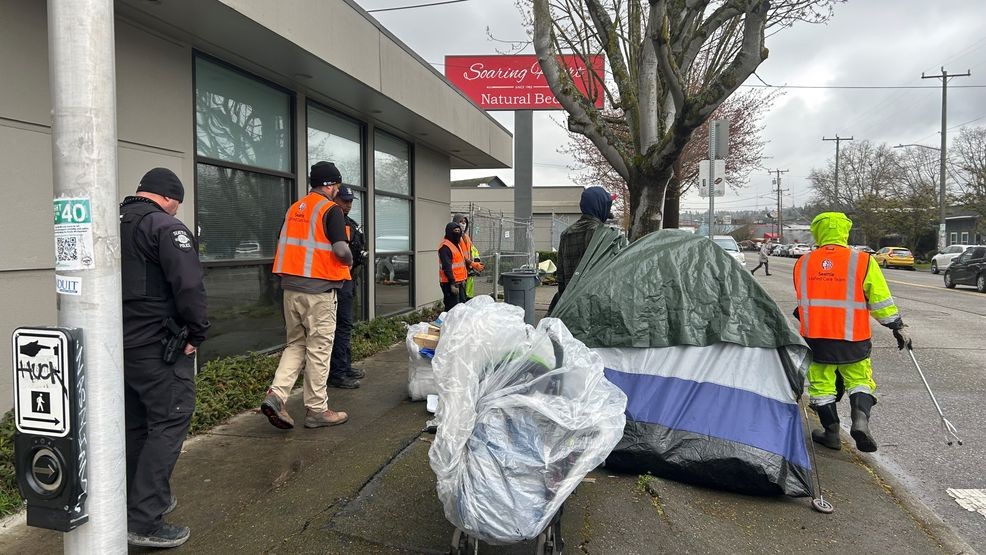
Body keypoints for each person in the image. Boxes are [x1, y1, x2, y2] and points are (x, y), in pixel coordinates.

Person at [120, 167, 210, 548]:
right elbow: (188, 285)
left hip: (119, 348)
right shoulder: (165, 227)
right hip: (159, 347)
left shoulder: (114, 222)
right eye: (177, 205)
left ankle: (134, 501)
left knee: (137, 426)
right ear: (171, 198)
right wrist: (197, 330)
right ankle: (143, 519)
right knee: (170, 420)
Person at [794, 212, 911, 453]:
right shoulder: (863, 261)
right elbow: (879, 299)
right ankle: (860, 421)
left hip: (816, 337)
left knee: (821, 387)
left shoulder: (803, 262)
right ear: (845, 232)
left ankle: (832, 433)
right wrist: (896, 326)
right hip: (853, 337)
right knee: (859, 380)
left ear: (818, 231)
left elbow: (805, 297)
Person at [261, 161, 353, 430]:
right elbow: (340, 249)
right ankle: (317, 410)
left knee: (296, 345)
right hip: (319, 291)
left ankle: (277, 395)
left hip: (291, 290)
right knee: (319, 349)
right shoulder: (330, 210)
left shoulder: (294, 209)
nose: (337, 189)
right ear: (329, 184)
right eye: (335, 184)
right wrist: (348, 260)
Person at [548, 186, 613, 312]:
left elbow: (560, 274)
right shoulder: (605, 234)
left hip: (570, 304)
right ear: (601, 206)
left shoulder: (566, 233)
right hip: (596, 305)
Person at [328, 185, 366, 389]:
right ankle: (338, 372)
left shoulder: (350, 223)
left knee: (345, 326)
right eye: (344, 201)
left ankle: (345, 366)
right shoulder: (332, 221)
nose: (348, 205)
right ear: (335, 199)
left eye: (350, 201)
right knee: (340, 327)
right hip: (337, 281)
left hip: (348, 280)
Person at [451, 213, 484, 297]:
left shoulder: (466, 237)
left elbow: (472, 249)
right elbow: (459, 255)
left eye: (464, 222)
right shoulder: (455, 238)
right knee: (461, 298)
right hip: (460, 272)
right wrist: (472, 264)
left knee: (468, 296)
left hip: (468, 270)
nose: (463, 224)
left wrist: (476, 261)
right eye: (461, 222)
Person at [439, 222, 468, 311]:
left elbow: (460, 263)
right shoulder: (445, 247)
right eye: (455, 231)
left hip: (459, 282)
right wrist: (452, 284)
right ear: (449, 232)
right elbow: (447, 267)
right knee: (452, 308)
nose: (458, 232)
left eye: (459, 231)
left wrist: (463, 279)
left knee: (462, 306)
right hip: (450, 283)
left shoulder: (457, 244)